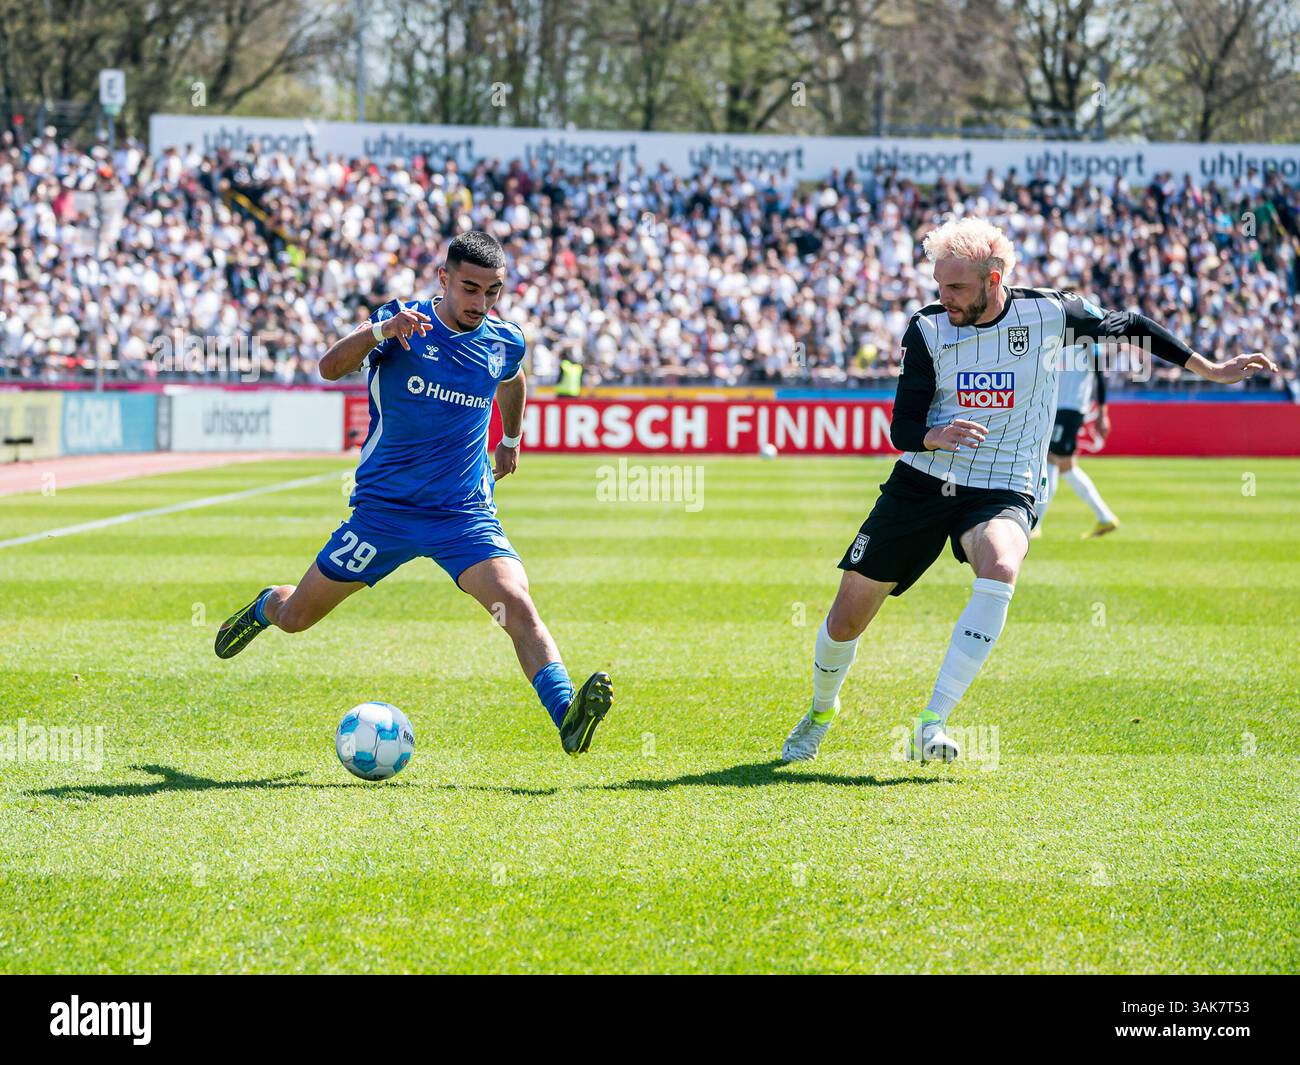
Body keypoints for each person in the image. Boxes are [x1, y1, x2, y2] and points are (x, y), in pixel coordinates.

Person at [780, 217, 1278, 764]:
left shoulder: (1050, 311)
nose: (943, 298)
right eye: (939, 286)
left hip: (1003, 484)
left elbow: (1130, 324)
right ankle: (821, 711)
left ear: (994, 280)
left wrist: (1206, 367)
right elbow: (902, 426)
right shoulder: (926, 330)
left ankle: (932, 721)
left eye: (956, 288)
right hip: (924, 480)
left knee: (1001, 566)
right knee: (847, 617)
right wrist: (933, 433)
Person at [214, 231, 614, 756]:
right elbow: (329, 368)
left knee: (516, 603)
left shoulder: (503, 339)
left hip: (462, 515)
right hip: (384, 515)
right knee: (298, 619)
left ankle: (567, 715)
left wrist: (510, 440)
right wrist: (381, 331)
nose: (481, 303)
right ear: (444, 279)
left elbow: (512, 381)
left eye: (492, 292)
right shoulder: (402, 323)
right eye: (470, 289)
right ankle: (267, 605)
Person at [1034, 342, 1120, 538]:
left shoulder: (1089, 337)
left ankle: (1035, 525)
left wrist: (1102, 412)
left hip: (1070, 407)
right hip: (1061, 406)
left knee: (1051, 459)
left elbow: (1100, 375)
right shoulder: (1064, 331)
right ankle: (1105, 517)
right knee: (1067, 466)